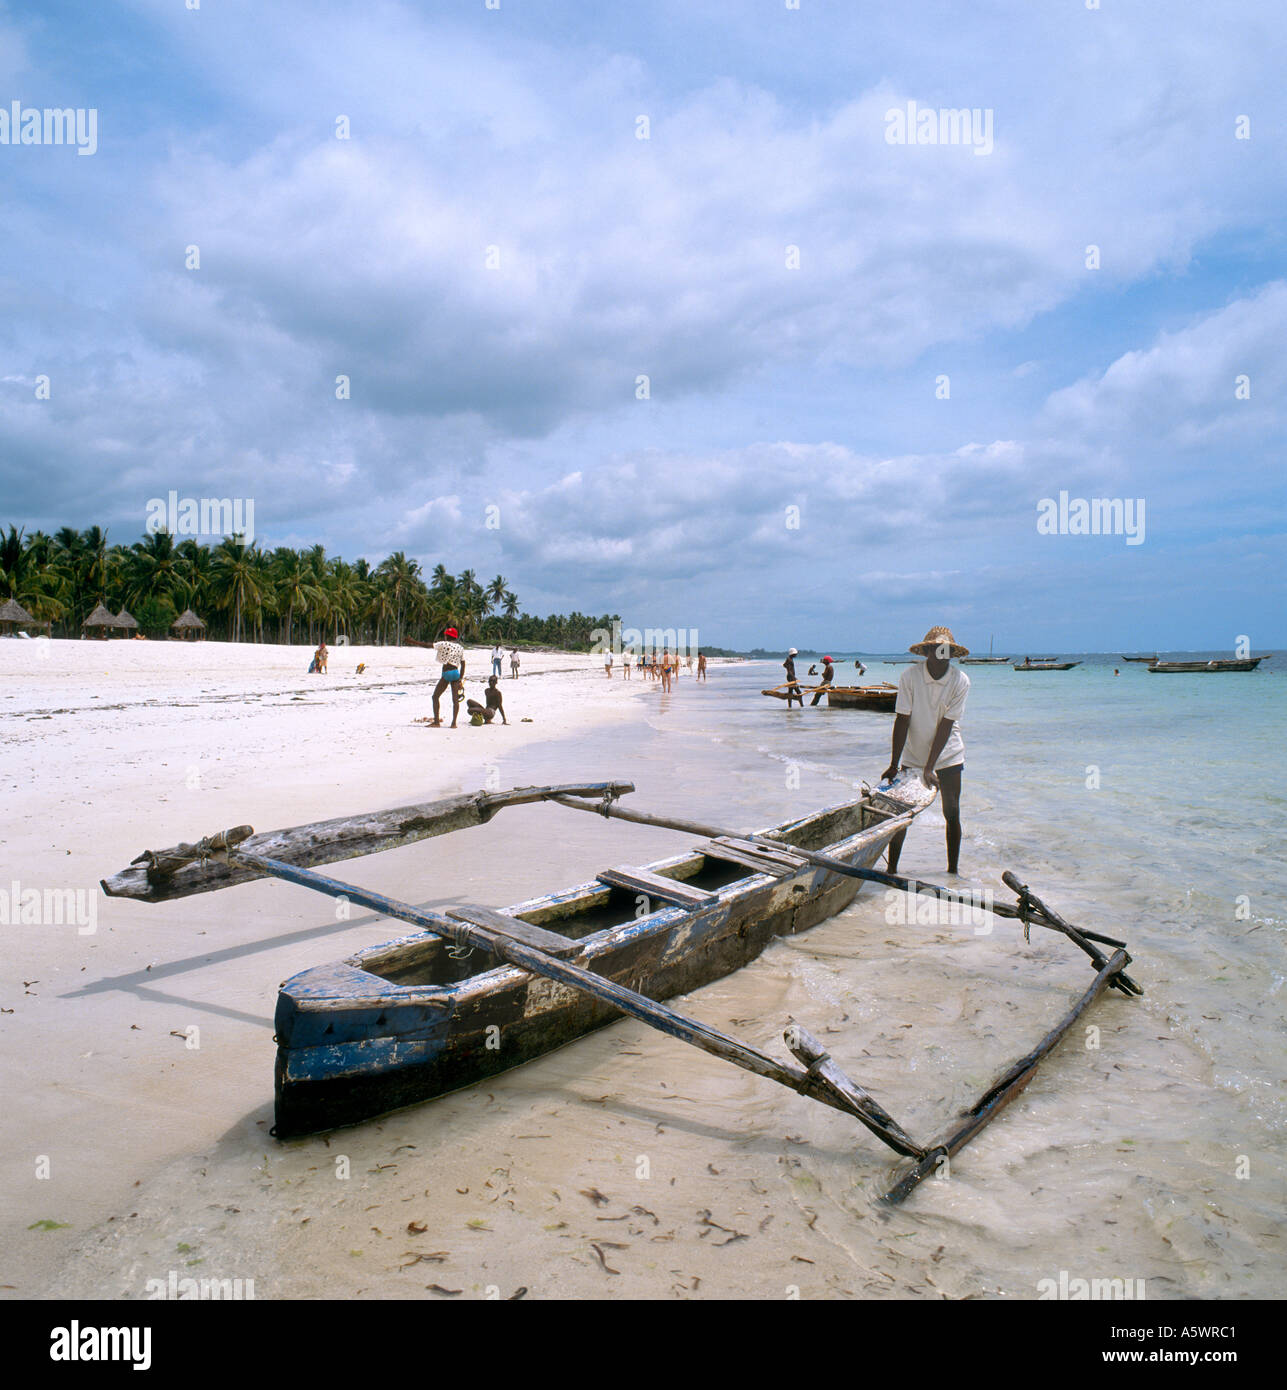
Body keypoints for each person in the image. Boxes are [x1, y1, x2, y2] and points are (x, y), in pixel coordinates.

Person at [882, 625, 970, 876]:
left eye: (946, 650)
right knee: (902, 813)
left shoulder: (960, 680)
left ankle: (953, 872)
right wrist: (893, 764)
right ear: (928, 651)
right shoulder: (910, 677)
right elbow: (902, 720)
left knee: (951, 811)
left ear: (952, 654)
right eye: (936, 648)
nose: (941, 653)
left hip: (949, 753)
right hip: (913, 753)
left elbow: (946, 725)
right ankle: (891, 870)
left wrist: (931, 767)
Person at [429, 627, 466, 727]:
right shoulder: (460, 647)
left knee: (435, 697)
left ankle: (436, 722)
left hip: (446, 674)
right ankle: (454, 723)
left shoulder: (444, 644)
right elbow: (463, 664)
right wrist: (460, 680)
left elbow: (428, 645)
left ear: (446, 636)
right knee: (455, 700)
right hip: (456, 673)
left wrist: (412, 641)